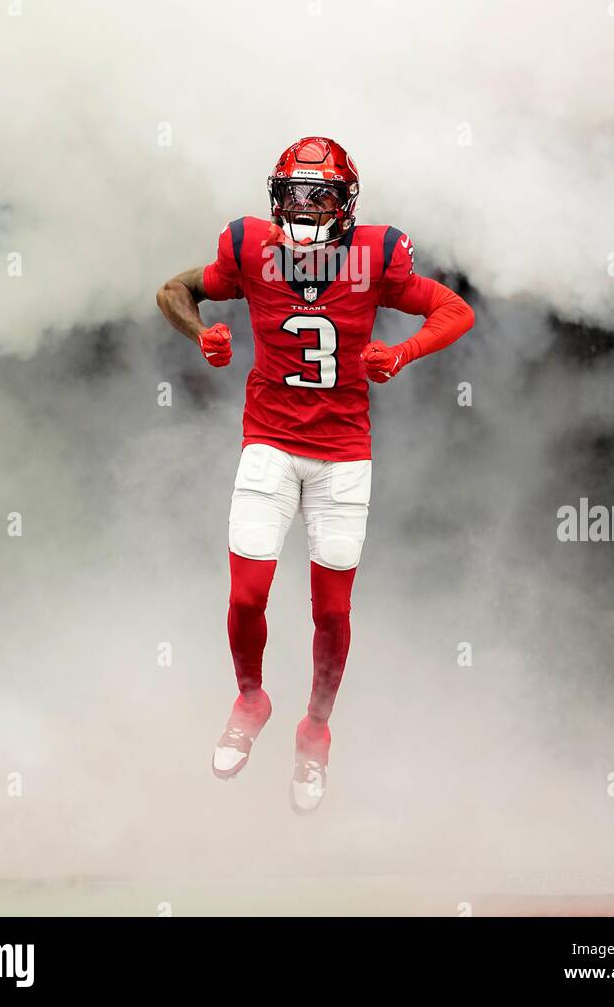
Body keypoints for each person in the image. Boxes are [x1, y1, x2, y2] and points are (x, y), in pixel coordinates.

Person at [157, 136, 475, 812]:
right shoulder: (249, 247)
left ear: (346, 204)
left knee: (331, 611)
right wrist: (200, 333)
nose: (303, 209)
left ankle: (316, 730)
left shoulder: (374, 255)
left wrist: (407, 351)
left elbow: (456, 310)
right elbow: (173, 289)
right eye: (293, 195)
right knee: (247, 595)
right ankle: (251, 698)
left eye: (319, 195)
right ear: (275, 200)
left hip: (342, 454)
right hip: (269, 440)